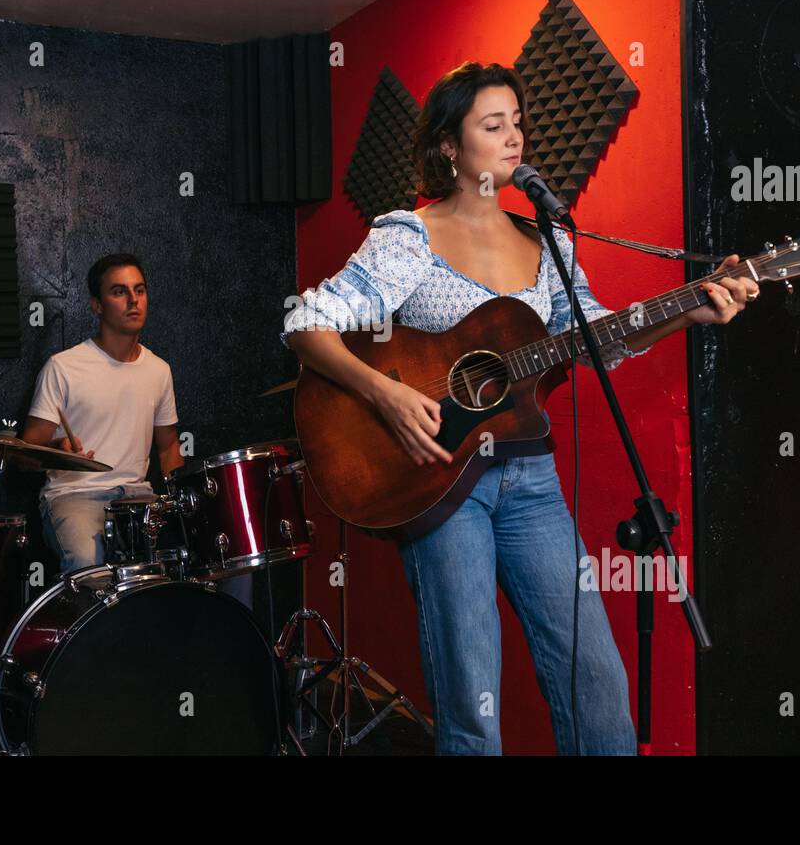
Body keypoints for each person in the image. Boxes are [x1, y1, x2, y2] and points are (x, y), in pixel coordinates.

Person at [283, 61, 757, 754]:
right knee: (474, 712)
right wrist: (385, 394)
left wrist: (690, 310)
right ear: (450, 145)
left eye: (518, 122)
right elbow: (305, 323)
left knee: (597, 687)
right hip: (442, 486)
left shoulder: (548, 242)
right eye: (493, 124)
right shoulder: (408, 237)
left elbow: (598, 338)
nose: (515, 137)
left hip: (531, 482)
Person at [22, 253, 184, 573]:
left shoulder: (159, 370)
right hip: (75, 495)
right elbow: (26, 451)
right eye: (119, 292)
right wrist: (58, 449)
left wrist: (184, 503)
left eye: (139, 290)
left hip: (137, 498)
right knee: (87, 562)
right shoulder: (64, 367)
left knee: (204, 549)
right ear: (97, 305)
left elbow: (168, 446)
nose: (133, 300)